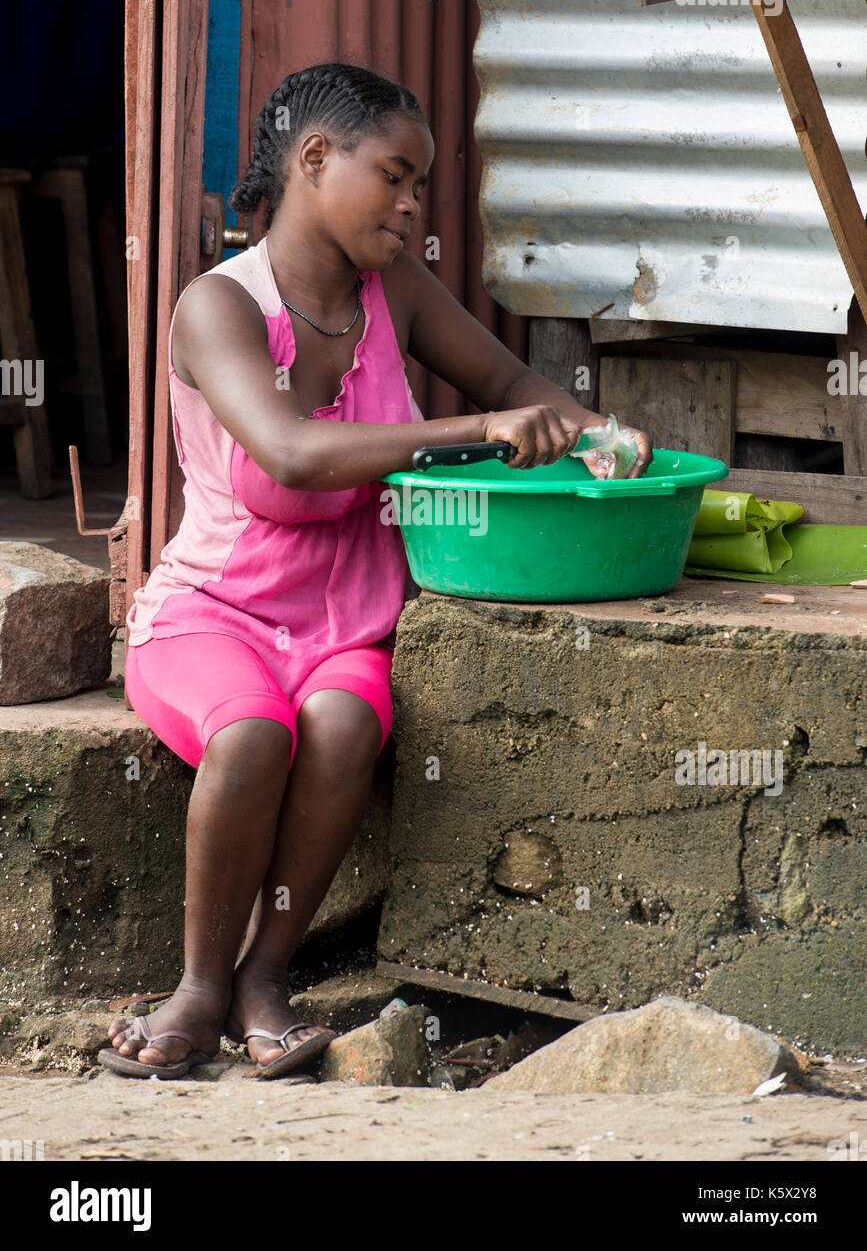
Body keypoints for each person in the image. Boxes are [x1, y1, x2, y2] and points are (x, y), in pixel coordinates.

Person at [101, 62, 651, 1080]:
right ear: (314, 160)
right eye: (394, 177)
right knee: (256, 732)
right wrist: (478, 431)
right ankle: (200, 985)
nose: (411, 207)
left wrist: (596, 435)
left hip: (347, 623)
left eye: (420, 187)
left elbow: (509, 378)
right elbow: (295, 453)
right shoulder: (216, 309)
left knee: (344, 724)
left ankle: (269, 974)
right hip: (211, 615)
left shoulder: (392, 290)